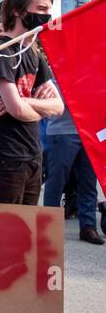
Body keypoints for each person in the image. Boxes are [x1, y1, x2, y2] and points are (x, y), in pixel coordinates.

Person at [0, 0, 63, 205]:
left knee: (24, 236)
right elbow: (15, 110)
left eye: (49, 9)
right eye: (41, 9)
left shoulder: (33, 53)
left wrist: (25, 102)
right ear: (17, 11)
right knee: (0, 232)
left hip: (32, 156)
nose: (47, 15)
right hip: (3, 160)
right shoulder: (0, 52)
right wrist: (37, 108)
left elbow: (58, 107)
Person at [43, 78, 104, 244]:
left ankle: (88, 227)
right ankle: (49, 228)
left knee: (88, 182)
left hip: (89, 133)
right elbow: (57, 104)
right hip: (62, 132)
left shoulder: (90, 72)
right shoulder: (59, 72)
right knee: (56, 182)